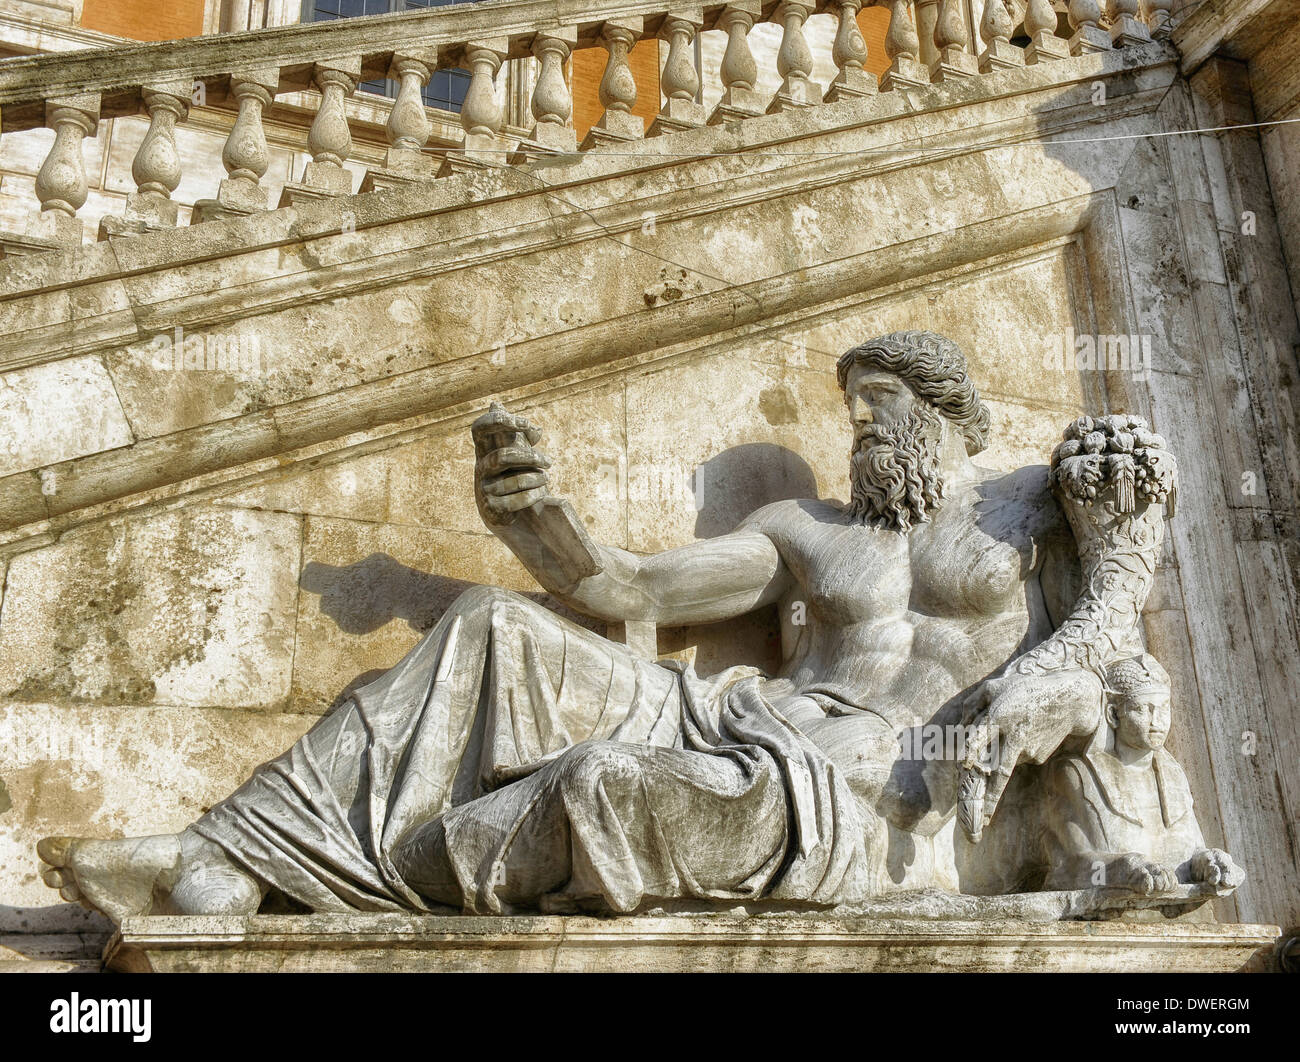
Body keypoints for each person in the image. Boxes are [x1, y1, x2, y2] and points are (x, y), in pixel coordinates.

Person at [37, 331, 1097, 921]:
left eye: (878, 398)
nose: (858, 421)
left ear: (943, 410)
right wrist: (537, 518)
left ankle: (290, 878)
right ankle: (221, 852)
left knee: (604, 781)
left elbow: (1098, 639)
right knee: (497, 625)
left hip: (869, 775)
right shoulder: (806, 529)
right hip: (741, 716)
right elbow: (631, 591)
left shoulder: (1029, 510)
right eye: (851, 402)